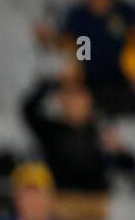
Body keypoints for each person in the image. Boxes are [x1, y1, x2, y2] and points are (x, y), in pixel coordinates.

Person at [20, 66, 134, 201]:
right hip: (61, 201)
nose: (75, 104)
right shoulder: (51, 130)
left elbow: (125, 167)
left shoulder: (101, 133)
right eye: (69, 98)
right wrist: (54, 80)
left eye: (80, 98)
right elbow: (28, 109)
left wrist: (119, 152)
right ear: (62, 102)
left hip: (96, 203)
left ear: (89, 101)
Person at [42, 0, 135, 115]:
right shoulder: (78, 14)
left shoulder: (125, 11)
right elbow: (71, 46)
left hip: (122, 83)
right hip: (87, 85)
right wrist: (50, 39)